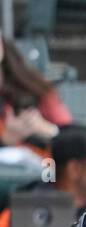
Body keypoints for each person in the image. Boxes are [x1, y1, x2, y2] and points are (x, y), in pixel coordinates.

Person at [0, 34, 70, 163]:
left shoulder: (34, 87)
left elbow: (72, 139)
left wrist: (49, 130)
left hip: (43, 171)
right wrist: (5, 140)